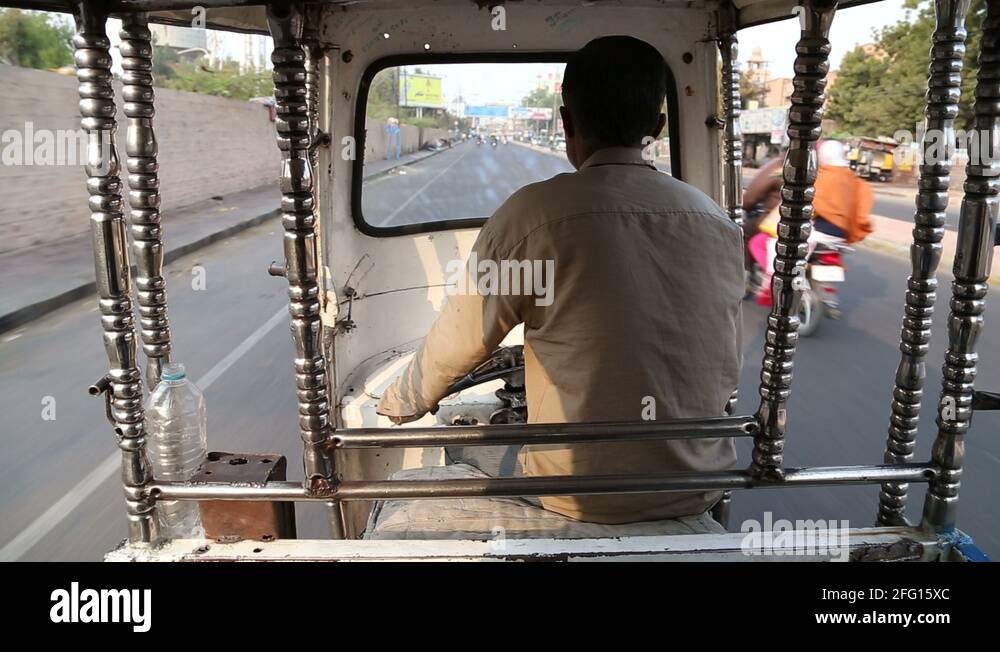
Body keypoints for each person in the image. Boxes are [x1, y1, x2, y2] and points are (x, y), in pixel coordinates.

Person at [376, 35, 745, 525]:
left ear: (566, 121)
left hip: (579, 492)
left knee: (459, 445)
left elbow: (460, 341)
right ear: (656, 127)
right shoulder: (716, 222)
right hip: (696, 484)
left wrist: (402, 402)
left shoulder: (535, 214)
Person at [750, 139, 874, 306]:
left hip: (819, 232)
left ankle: (773, 281)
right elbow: (862, 208)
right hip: (841, 236)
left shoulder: (823, 177)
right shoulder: (855, 180)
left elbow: (807, 204)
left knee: (773, 244)